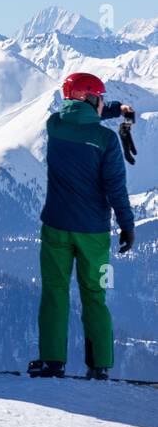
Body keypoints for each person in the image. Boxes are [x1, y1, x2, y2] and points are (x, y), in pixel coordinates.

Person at [28, 72, 136, 380]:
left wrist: (117, 109)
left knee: (54, 292)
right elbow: (116, 188)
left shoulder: (55, 126)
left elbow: (78, 114)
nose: (103, 102)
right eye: (100, 97)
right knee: (95, 295)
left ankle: (51, 362)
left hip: (55, 228)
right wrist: (127, 226)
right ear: (91, 98)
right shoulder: (106, 140)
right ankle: (99, 365)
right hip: (94, 235)